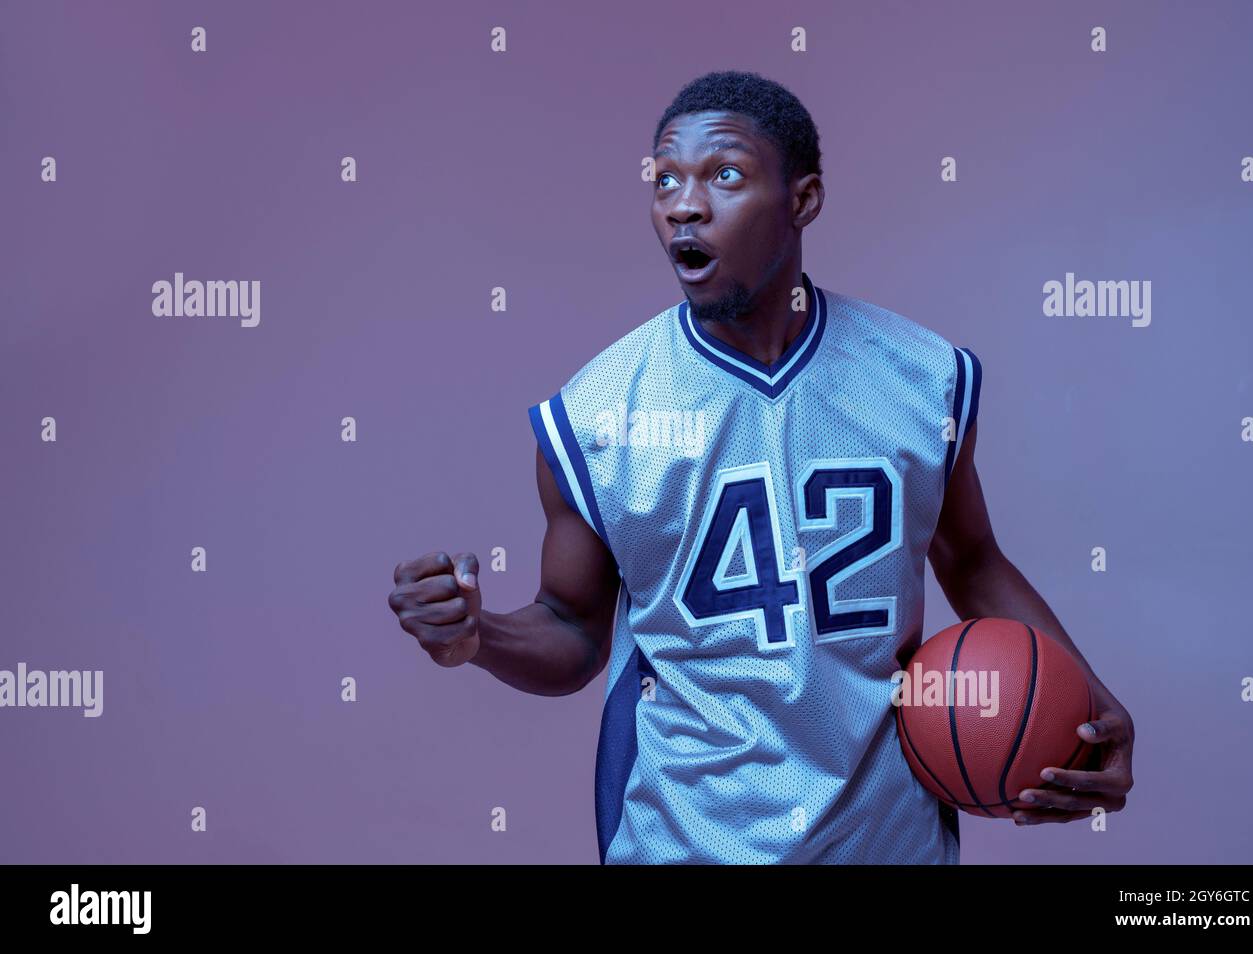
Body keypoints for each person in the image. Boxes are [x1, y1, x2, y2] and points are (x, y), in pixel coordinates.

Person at [387, 70, 1135, 864]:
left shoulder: (921, 377)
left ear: (804, 199)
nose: (684, 202)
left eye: (726, 175)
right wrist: (480, 634)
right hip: (685, 841)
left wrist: (1089, 702)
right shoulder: (597, 413)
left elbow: (973, 560)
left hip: (887, 842)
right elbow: (572, 628)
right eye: (666, 178)